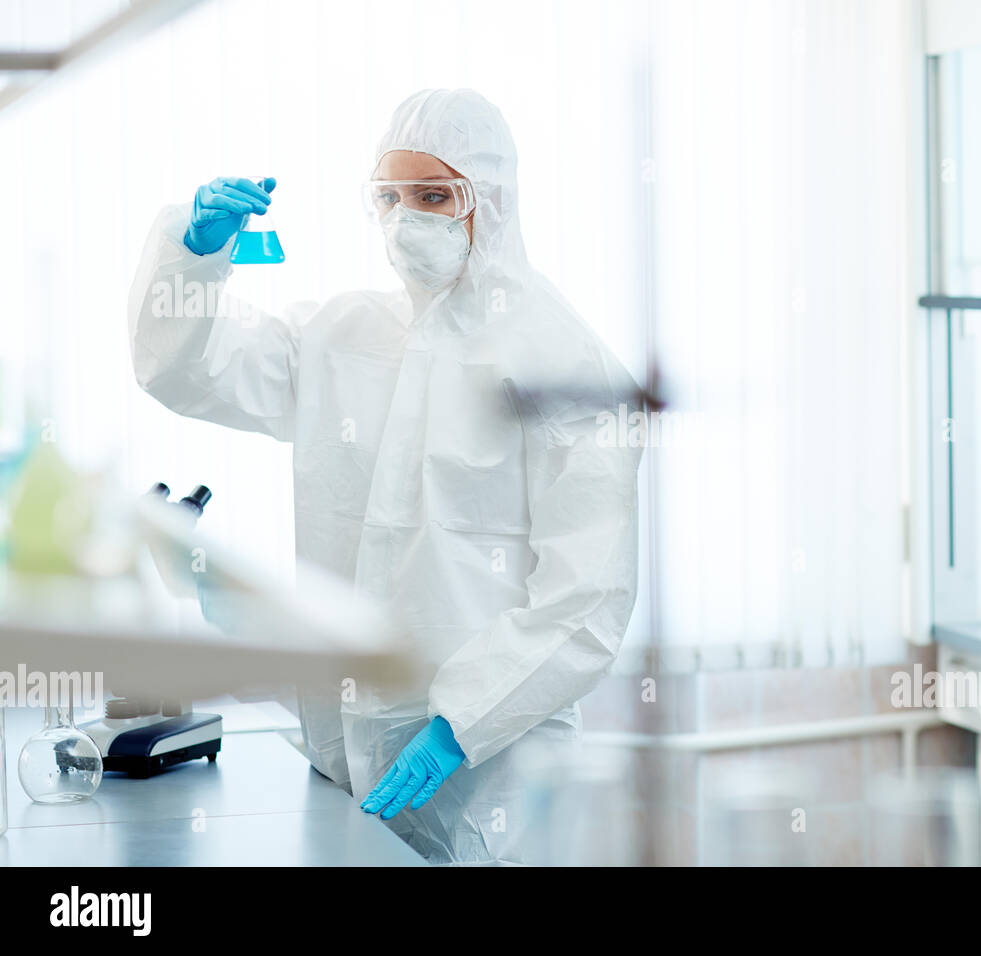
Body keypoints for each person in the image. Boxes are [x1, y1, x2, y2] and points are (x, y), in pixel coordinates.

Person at [128, 88, 643, 864]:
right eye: (390, 196)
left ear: (490, 201)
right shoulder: (342, 335)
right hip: (343, 757)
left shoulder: (564, 364)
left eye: (434, 196)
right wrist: (195, 257)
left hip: (494, 771)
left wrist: (459, 724)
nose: (407, 219)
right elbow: (188, 371)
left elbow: (587, 599)